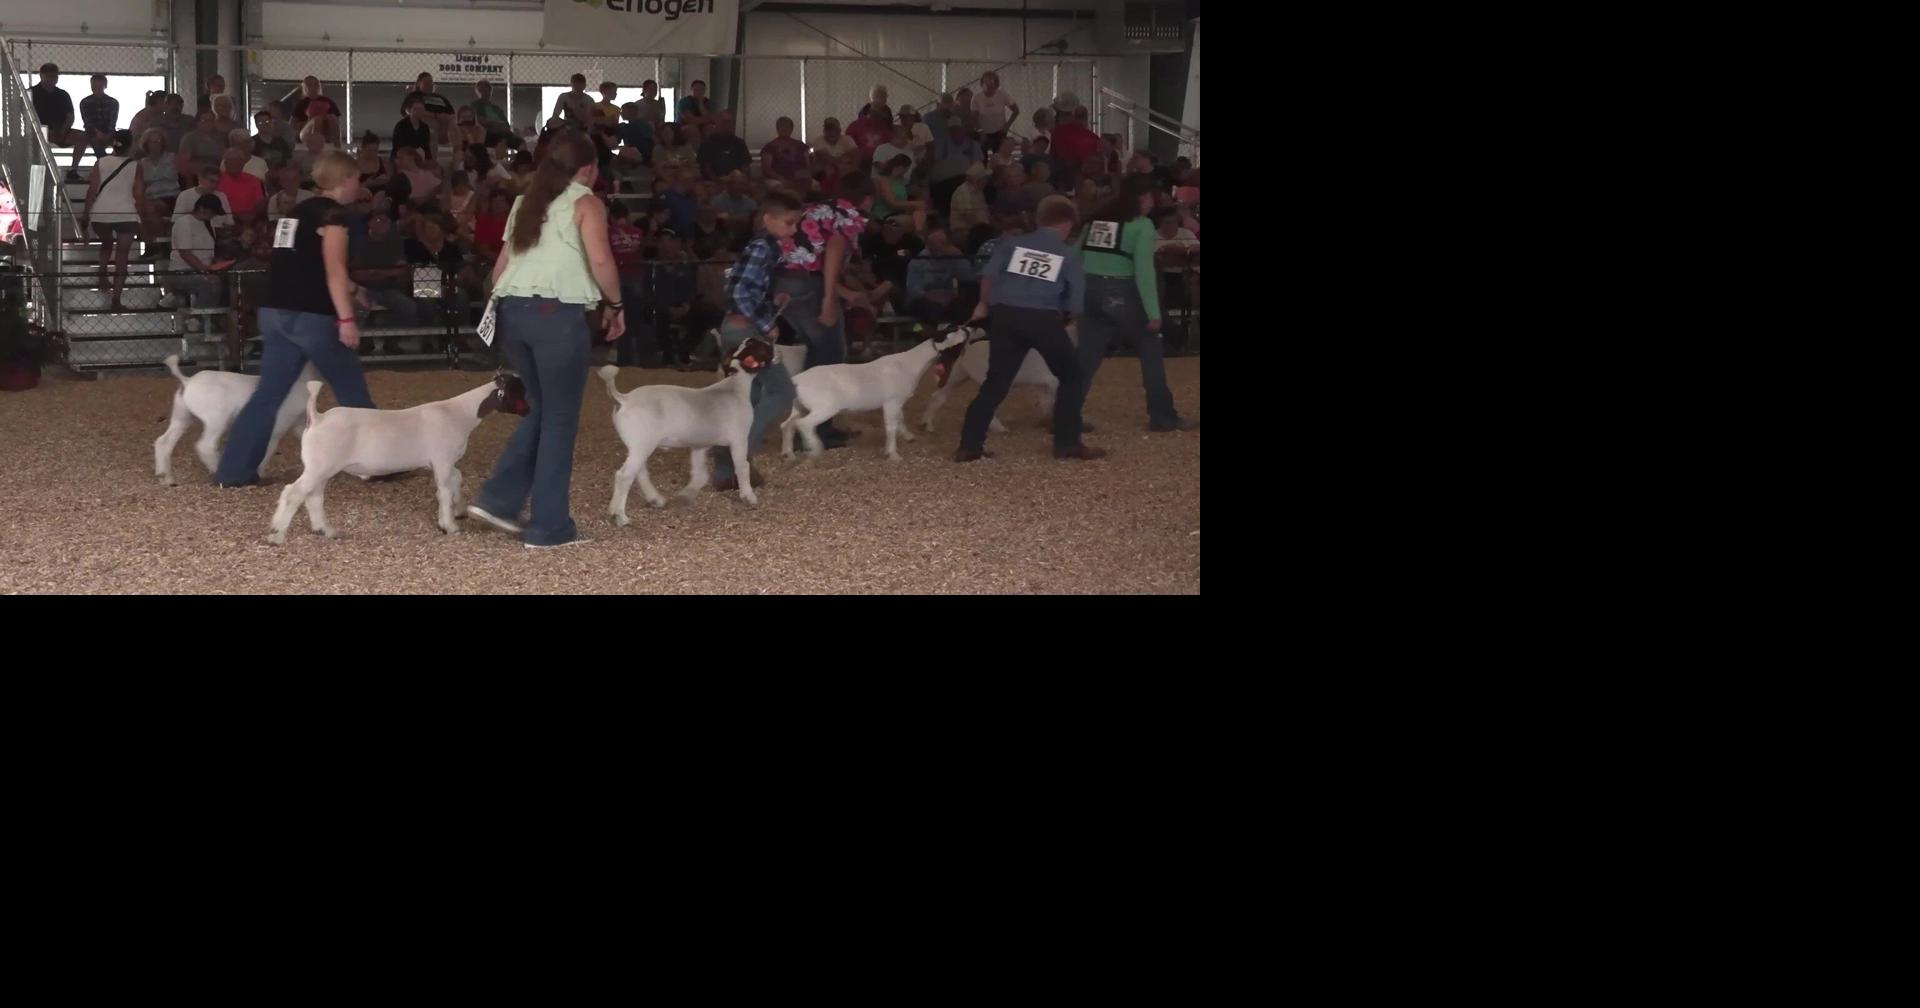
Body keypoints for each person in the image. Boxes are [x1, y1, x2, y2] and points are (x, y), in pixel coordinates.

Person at [465, 130, 624, 550]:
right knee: (559, 420)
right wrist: (616, 304)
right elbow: (601, 259)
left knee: (542, 409)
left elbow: (500, 269)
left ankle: (498, 499)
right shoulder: (586, 203)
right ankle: (549, 527)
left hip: (514, 313)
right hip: (557, 318)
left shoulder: (525, 202)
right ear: (589, 169)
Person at [212, 150, 377, 486]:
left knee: (267, 396)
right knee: (352, 391)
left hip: (275, 312)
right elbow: (333, 270)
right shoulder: (335, 216)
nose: (358, 186)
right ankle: (380, 464)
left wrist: (354, 288)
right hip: (312, 316)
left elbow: (300, 264)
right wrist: (347, 319)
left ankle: (233, 472)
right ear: (345, 179)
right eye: (357, 179)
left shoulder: (294, 213)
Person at [955, 195, 1100, 462]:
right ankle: (1067, 443)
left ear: (1039, 220)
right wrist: (1068, 318)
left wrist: (984, 305)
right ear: (1067, 223)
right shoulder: (1067, 254)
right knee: (1071, 376)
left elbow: (988, 277)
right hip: (1042, 318)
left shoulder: (1012, 244)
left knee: (996, 381)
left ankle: (969, 445)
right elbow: (1076, 301)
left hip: (1005, 316)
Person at [1076, 173, 1194, 433]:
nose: (1154, 202)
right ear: (1144, 197)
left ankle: (1065, 414)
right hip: (1122, 290)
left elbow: (1075, 256)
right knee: (1150, 350)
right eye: (1152, 197)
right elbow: (1143, 271)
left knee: (1087, 355)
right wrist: (1153, 312)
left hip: (1090, 289)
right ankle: (1162, 417)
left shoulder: (1096, 220)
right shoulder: (1141, 225)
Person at [768, 171, 875, 448]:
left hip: (785, 282)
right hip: (807, 284)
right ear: (867, 198)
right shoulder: (847, 213)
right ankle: (814, 427)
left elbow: (812, 260)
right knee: (830, 353)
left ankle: (813, 422)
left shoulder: (817, 210)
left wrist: (843, 293)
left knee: (818, 350)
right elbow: (832, 254)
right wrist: (829, 299)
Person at [706, 191, 804, 492]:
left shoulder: (762, 246)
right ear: (768, 219)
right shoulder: (763, 247)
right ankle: (735, 449)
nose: (793, 230)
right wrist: (765, 323)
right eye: (789, 223)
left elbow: (743, 289)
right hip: (746, 334)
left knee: (748, 397)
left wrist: (771, 302)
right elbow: (737, 291)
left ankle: (728, 469)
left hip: (739, 331)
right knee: (781, 391)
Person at [77, 130, 144, 311]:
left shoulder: (101, 162)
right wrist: (140, 215)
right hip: (126, 214)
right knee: (122, 256)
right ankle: (116, 299)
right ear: (131, 145)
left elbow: (92, 190)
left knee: (106, 244)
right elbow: (138, 193)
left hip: (101, 213)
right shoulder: (136, 165)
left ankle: (102, 271)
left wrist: (86, 214)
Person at [350, 208, 420, 347]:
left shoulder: (396, 243)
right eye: (378, 220)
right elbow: (356, 273)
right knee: (359, 306)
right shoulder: (358, 244)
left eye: (386, 220)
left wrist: (377, 273)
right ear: (369, 223)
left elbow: (401, 271)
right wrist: (387, 273)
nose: (383, 223)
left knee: (410, 307)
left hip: (389, 289)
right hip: (364, 289)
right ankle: (364, 342)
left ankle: (391, 340)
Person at [904, 228, 975, 324]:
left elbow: (969, 277)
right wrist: (933, 296)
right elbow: (913, 289)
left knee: (964, 308)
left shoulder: (951, 258)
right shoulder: (917, 261)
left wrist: (960, 257)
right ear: (928, 245)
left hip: (946, 297)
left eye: (942, 243)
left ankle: (960, 331)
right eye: (934, 244)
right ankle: (934, 332)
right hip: (921, 299)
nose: (938, 246)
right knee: (933, 309)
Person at [28, 65, 84, 181]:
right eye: (49, 76)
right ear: (41, 75)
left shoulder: (63, 94)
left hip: (62, 131)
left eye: (54, 76)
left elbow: (70, 115)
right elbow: (27, 116)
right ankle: (40, 171)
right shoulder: (31, 93)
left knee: (82, 137)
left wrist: (64, 129)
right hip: (39, 132)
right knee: (37, 139)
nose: (52, 79)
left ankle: (73, 170)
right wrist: (45, 130)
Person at [135, 129, 180, 255]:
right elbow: (140, 185)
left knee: (150, 208)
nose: (156, 144)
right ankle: (152, 245)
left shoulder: (172, 158)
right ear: (147, 144)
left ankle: (160, 244)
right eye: (152, 141)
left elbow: (186, 177)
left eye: (159, 141)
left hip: (171, 196)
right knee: (137, 211)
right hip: (150, 197)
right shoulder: (142, 163)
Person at [928, 119, 983, 220]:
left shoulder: (973, 145)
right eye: (952, 130)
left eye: (958, 129)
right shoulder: (941, 144)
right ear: (948, 131)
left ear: (964, 130)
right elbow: (935, 165)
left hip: (966, 179)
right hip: (944, 182)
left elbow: (978, 165)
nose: (955, 132)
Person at [869, 154, 927, 233]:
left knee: (919, 213)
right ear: (901, 167)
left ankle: (918, 232)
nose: (907, 171)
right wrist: (914, 203)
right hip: (884, 214)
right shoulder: (883, 180)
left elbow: (903, 199)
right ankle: (917, 233)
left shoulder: (900, 180)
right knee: (912, 220)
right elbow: (892, 203)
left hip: (899, 212)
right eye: (907, 168)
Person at [1049, 106, 1099, 188]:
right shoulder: (1060, 132)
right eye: (1078, 116)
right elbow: (1055, 154)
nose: (1081, 119)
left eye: (1082, 116)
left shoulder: (1093, 137)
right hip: (1066, 175)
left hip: (1087, 175)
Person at [215, 147, 268, 222]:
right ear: (225, 163)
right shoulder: (216, 180)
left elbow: (259, 203)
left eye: (237, 160)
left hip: (250, 221)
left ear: (243, 163)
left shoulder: (254, 180)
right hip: (223, 220)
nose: (234, 163)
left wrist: (251, 216)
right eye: (231, 160)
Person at [403, 71, 457, 144]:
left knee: (455, 123)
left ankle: (458, 149)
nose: (430, 85)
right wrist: (436, 116)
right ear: (419, 84)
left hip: (444, 124)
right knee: (431, 126)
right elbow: (409, 111)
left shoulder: (440, 98)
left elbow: (452, 113)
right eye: (426, 83)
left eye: (431, 83)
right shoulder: (414, 96)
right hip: (426, 122)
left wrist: (448, 117)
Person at [974, 71, 1019, 155]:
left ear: (996, 84)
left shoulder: (1003, 95)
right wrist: (980, 131)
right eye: (986, 82)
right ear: (982, 84)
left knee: (999, 154)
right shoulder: (977, 98)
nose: (988, 85)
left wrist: (1007, 125)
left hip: (1000, 131)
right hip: (984, 132)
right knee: (982, 156)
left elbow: (1016, 110)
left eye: (991, 82)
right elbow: (974, 117)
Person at [79, 75, 120, 166]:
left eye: (99, 85)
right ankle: (105, 164)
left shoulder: (113, 102)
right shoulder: (85, 102)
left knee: (121, 141)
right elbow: (88, 121)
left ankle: (116, 162)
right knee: (95, 141)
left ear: (105, 86)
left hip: (109, 132)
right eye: (94, 85)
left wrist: (109, 134)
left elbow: (113, 121)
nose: (96, 88)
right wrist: (97, 133)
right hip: (92, 133)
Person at [697, 111, 750, 180]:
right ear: (717, 123)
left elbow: (745, 166)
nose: (728, 125)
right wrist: (720, 180)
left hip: (737, 180)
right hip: (715, 181)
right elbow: (706, 170)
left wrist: (740, 177)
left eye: (730, 122)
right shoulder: (707, 144)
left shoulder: (740, 143)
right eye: (725, 122)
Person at [178, 111, 228, 180]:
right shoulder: (189, 138)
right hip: (196, 176)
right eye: (205, 120)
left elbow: (223, 158)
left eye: (211, 120)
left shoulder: (218, 138)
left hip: (216, 174)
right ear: (197, 122)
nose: (209, 123)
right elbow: (183, 162)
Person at [846, 104, 893, 168]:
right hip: (859, 161)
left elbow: (890, 145)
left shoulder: (886, 127)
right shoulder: (855, 125)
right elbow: (848, 143)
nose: (877, 114)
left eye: (880, 112)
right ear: (868, 112)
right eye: (874, 111)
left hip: (880, 161)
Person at [949, 162, 991, 234]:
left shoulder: (979, 191)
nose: (987, 180)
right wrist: (987, 227)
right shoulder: (963, 192)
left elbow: (984, 212)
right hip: (964, 231)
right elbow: (969, 216)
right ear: (978, 179)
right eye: (985, 178)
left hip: (979, 228)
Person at [467, 80, 512, 146]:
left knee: (520, 142)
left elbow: (506, 124)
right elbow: (476, 120)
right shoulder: (475, 105)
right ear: (477, 92)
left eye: (486, 90)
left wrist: (502, 126)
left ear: (490, 92)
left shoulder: (496, 108)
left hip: (501, 133)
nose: (483, 93)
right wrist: (494, 123)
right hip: (487, 133)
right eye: (480, 90)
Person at [392, 97, 435, 164]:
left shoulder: (424, 127)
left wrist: (429, 161)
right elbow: (398, 148)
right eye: (416, 109)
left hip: (418, 157)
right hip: (401, 158)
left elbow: (426, 148)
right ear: (409, 110)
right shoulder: (401, 126)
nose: (419, 112)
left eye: (421, 109)